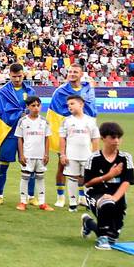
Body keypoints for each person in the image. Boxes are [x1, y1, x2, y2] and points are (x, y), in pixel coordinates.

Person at [0, 63, 35, 205]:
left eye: (19, 76)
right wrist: (16, 115)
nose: (17, 79)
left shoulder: (30, 90)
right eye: (14, 76)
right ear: (9, 75)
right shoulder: (3, 92)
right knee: (4, 164)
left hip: (27, 134)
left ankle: (31, 196)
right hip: (9, 132)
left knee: (28, 165)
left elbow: (34, 109)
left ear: (23, 74)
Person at [49, 64, 97, 207]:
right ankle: (60, 196)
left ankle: (82, 196)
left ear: (81, 74)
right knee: (62, 165)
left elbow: (92, 109)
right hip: (67, 131)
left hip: (84, 133)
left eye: (75, 72)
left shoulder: (88, 90)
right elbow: (54, 113)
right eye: (70, 71)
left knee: (84, 167)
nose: (72, 74)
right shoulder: (60, 91)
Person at [80, 122, 133, 250]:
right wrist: (108, 176)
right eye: (113, 137)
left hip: (116, 195)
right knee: (107, 204)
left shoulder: (126, 157)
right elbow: (87, 183)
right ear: (103, 138)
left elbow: (126, 182)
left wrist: (115, 198)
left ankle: (88, 223)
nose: (117, 141)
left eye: (119, 137)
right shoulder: (94, 158)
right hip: (96, 193)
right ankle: (101, 239)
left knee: (113, 237)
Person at [58, 94, 100, 212]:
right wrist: (62, 154)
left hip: (87, 156)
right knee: (72, 178)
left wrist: (95, 156)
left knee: (88, 179)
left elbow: (95, 139)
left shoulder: (90, 121)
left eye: (72, 104)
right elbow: (62, 138)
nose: (69, 107)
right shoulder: (66, 121)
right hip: (71, 155)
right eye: (68, 105)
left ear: (81, 104)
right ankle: (72, 203)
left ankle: (88, 202)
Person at [14, 95, 51, 211]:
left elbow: (47, 138)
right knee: (25, 178)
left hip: (40, 155)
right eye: (33, 105)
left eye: (38, 105)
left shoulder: (44, 121)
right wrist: (21, 154)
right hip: (27, 154)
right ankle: (23, 202)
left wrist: (46, 154)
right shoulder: (23, 121)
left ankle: (42, 202)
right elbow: (19, 138)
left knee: (40, 178)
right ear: (28, 107)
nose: (36, 108)